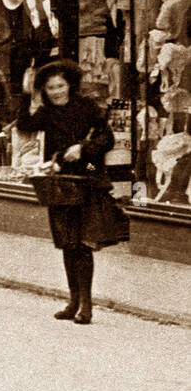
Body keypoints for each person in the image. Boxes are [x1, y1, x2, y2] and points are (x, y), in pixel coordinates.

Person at [17, 58, 128, 325]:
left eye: (59, 86)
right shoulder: (46, 113)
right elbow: (24, 126)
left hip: (86, 178)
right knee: (67, 244)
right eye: (50, 88)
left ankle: (87, 305)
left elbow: (106, 139)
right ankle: (73, 301)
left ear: (69, 85)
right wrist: (25, 93)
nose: (55, 92)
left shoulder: (87, 108)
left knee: (82, 244)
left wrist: (83, 148)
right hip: (60, 183)